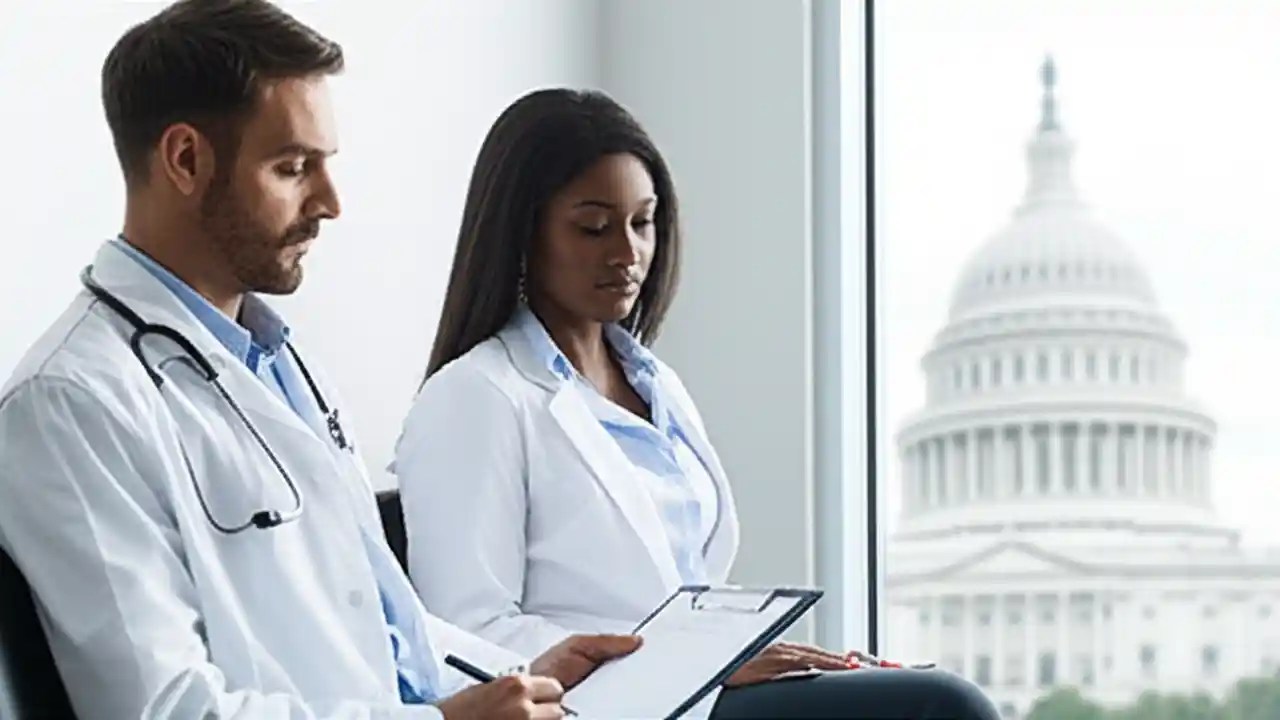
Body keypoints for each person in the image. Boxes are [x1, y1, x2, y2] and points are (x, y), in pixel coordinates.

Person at [0, 3, 640, 719]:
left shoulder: (278, 358)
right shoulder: (73, 401)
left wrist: (523, 671)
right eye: (294, 167)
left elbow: (371, 617)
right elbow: (164, 709)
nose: (330, 203)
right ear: (185, 159)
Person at [393, 88, 1000, 719]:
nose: (628, 254)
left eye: (643, 222)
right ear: (522, 235)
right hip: (605, 706)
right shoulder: (474, 398)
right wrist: (686, 664)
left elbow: (687, 590)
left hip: (697, 691)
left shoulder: (655, 385)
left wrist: (754, 652)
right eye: (594, 227)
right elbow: (465, 635)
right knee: (943, 707)